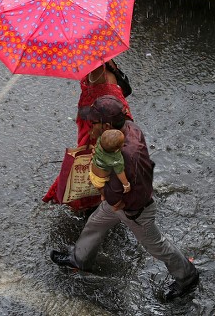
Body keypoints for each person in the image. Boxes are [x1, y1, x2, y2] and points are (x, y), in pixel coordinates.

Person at [50, 95, 199, 301]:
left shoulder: (126, 156)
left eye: (94, 123)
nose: (90, 127)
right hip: (120, 202)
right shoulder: (128, 128)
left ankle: (188, 276)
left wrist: (98, 181)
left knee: (157, 246)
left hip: (133, 209)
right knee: (95, 224)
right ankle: (79, 260)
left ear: (108, 125)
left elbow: (114, 194)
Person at [42, 60, 133, 211]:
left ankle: (90, 201)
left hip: (97, 131)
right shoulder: (93, 69)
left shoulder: (107, 83)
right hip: (89, 125)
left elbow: (123, 117)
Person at [89, 129, 131, 202]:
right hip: (101, 180)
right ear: (118, 148)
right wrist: (126, 184)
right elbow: (120, 173)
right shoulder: (116, 159)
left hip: (92, 170)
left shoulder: (99, 141)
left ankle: (102, 195)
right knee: (104, 191)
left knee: (99, 187)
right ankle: (104, 197)